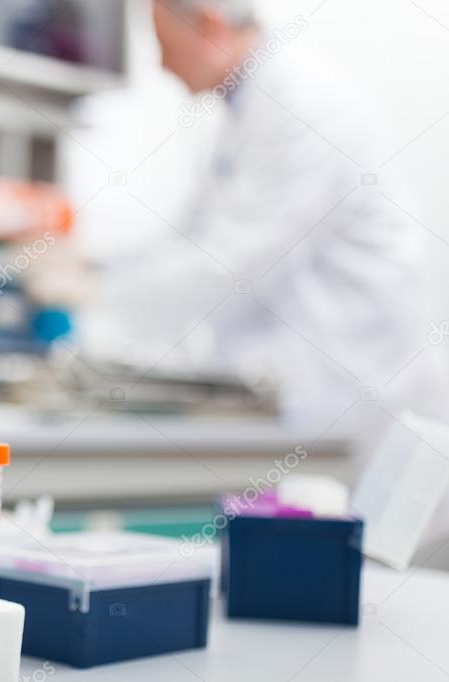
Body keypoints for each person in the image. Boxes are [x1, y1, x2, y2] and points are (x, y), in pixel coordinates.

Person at [96, 0, 444, 433]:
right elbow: (190, 238)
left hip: (357, 379)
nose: (163, 64)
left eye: (165, 45)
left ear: (210, 27)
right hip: (308, 383)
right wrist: (94, 266)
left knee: (368, 497)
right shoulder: (242, 112)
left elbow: (230, 261)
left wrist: (95, 291)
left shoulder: (303, 101)